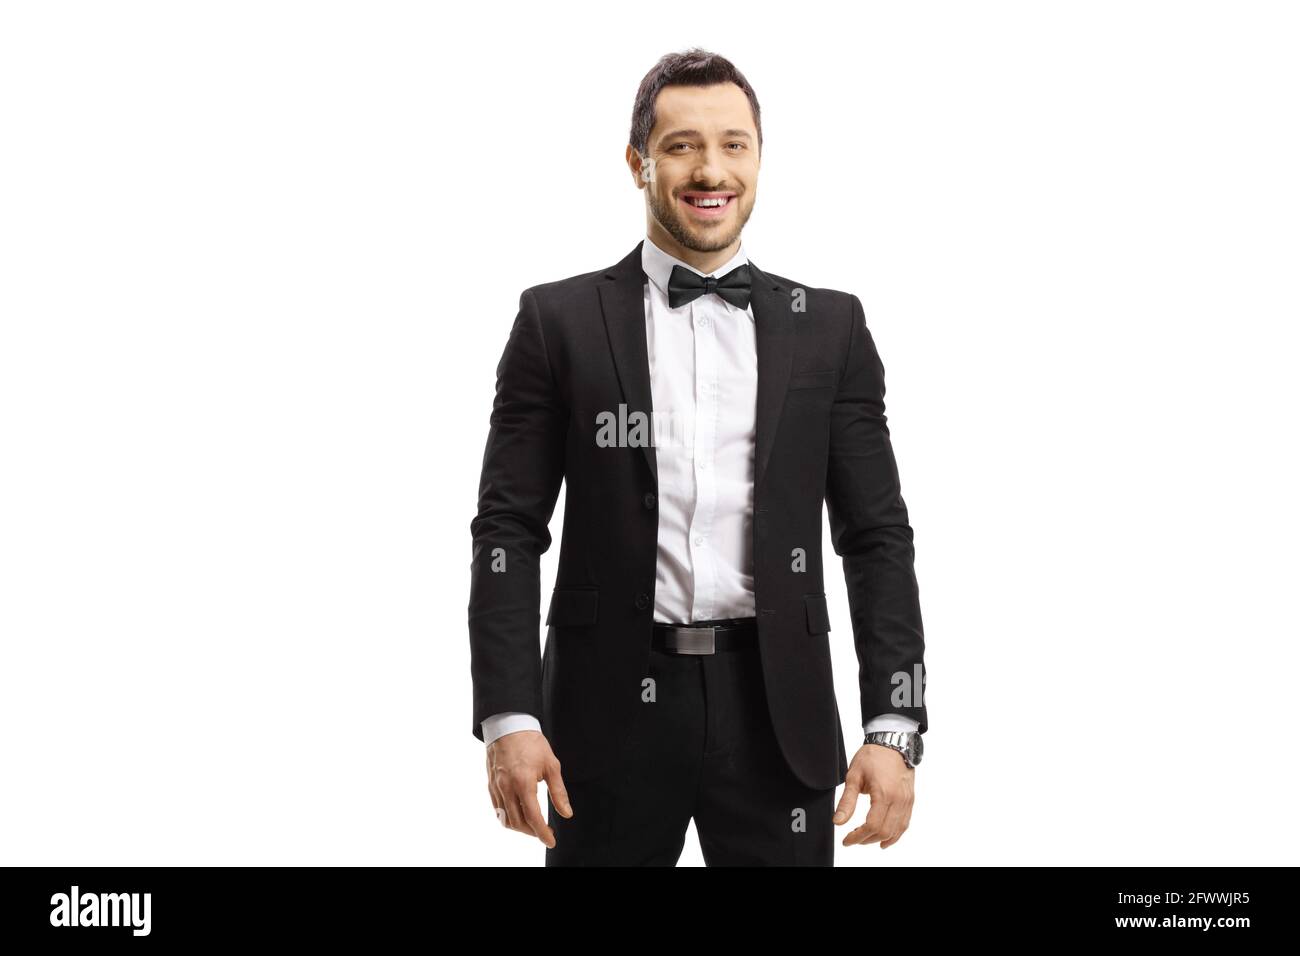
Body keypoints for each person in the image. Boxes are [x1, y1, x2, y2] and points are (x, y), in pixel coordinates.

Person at [468, 48, 927, 866]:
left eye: (734, 144)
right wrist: (511, 715)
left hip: (777, 713)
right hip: (601, 722)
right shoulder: (556, 322)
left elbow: (877, 536)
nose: (710, 168)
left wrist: (895, 724)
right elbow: (507, 529)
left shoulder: (833, 328)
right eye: (681, 145)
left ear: (758, 157)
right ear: (638, 162)